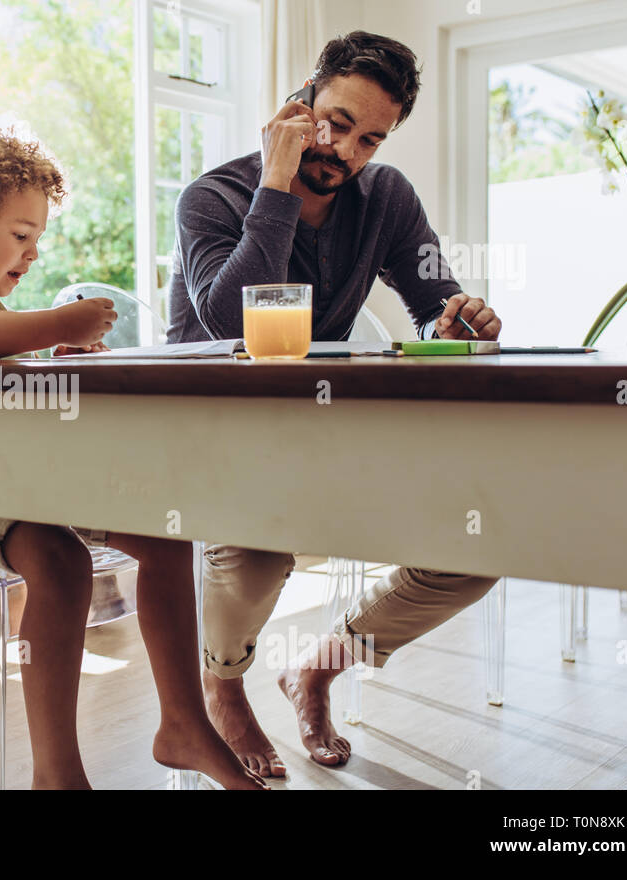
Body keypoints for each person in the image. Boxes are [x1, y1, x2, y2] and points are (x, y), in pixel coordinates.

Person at [0, 126, 264, 789]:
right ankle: (56, 773)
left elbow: (1, 393)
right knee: (60, 561)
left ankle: (184, 726)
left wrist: (53, 364)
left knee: (166, 535)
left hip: (11, 486)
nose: (32, 253)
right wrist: (56, 325)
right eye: (21, 236)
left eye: (37, 240)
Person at [167, 31, 504, 777]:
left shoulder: (383, 198)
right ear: (301, 102)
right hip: (218, 434)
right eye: (336, 122)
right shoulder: (210, 200)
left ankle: (314, 670)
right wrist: (278, 185)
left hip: (323, 432)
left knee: (473, 553)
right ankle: (223, 688)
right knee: (257, 560)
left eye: (370, 138)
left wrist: (453, 320)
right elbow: (232, 324)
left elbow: (430, 302)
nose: (346, 150)